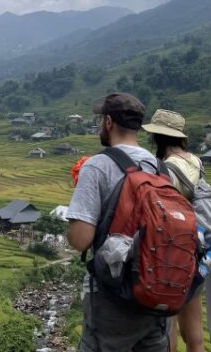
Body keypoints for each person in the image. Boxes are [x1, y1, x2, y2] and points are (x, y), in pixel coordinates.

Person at [66, 92, 169, 352]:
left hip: (112, 299)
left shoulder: (97, 166)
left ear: (108, 122)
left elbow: (80, 240)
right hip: (156, 293)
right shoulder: (160, 167)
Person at [142, 109, 205, 352]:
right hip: (196, 246)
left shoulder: (163, 168)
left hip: (171, 249)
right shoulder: (195, 161)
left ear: (158, 137)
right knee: (195, 331)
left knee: (168, 325)